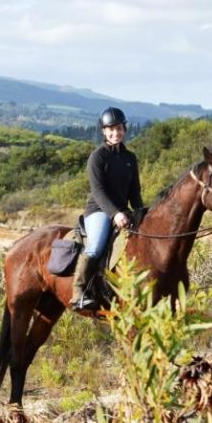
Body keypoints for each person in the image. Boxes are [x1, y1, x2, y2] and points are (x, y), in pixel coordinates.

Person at [72, 107, 144, 310]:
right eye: (111, 129)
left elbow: (135, 192)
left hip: (123, 211)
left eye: (119, 128)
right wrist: (115, 214)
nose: (116, 133)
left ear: (124, 129)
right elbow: (98, 191)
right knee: (95, 246)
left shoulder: (130, 158)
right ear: (104, 131)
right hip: (99, 211)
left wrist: (141, 213)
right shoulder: (98, 157)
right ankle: (79, 292)